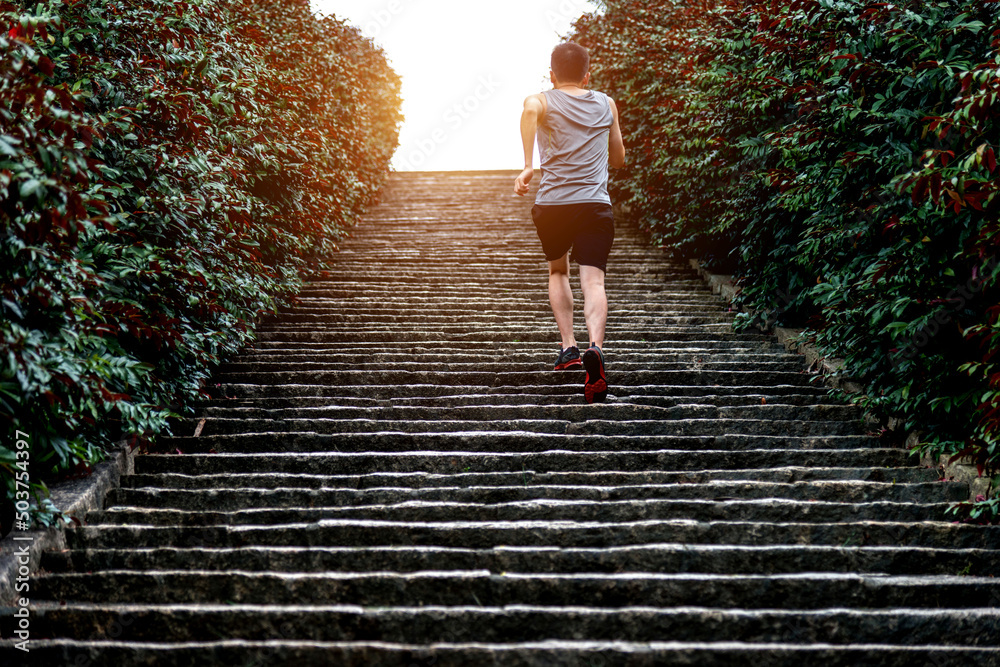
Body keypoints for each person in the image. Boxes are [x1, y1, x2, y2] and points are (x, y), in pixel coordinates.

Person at [514, 41, 626, 404]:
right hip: (595, 204)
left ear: (552, 74)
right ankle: (596, 346)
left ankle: (568, 346)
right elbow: (619, 158)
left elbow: (530, 109)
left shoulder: (542, 99)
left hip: (554, 205)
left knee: (558, 272)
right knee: (593, 279)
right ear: (587, 74)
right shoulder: (606, 103)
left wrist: (529, 163)